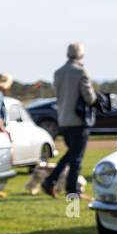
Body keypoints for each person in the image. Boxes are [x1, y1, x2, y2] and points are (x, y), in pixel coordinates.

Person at [42, 42, 97, 198]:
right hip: (79, 121)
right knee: (76, 158)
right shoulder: (81, 72)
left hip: (64, 120)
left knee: (72, 154)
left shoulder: (58, 72)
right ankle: (72, 190)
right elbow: (90, 97)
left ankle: (51, 181)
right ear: (81, 55)